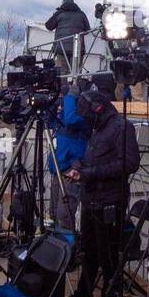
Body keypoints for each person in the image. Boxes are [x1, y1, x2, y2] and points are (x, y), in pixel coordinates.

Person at [62, 85, 140, 297]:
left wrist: (89, 173)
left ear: (97, 110)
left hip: (110, 202)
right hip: (91, 200)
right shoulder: (99, 129)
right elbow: (95, 160)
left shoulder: (121, 127)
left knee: (108, 260)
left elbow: (129, 163)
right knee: (89, 253)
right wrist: (80, 169)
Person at [48, 82, 91, 232]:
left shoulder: (84, 116)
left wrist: (70, 96)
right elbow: (49, 120)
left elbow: (71, 120)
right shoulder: (64, 113)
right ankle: (54, 249)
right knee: (53, 213)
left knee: (64, 215)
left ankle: (68, 249)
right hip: (58, 167)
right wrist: (53, 100)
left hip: (71, 169)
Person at [45, 0, 90, 72]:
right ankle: (76, 83)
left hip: (61, 48)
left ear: (63, 3)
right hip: (77, 49)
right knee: (76, 73)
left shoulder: (59, 13)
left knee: (62, 73)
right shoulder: (81, 14)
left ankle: (63, 84)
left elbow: (48, 26)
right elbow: (88, 30)